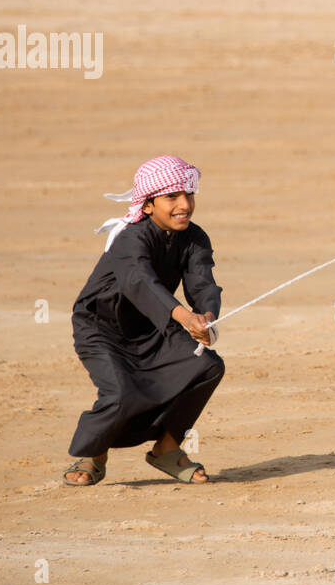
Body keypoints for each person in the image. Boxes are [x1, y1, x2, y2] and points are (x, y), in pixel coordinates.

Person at [62, 155, 225, 486]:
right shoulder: (130, 238)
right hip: (101, 328)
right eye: (172, 197)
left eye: (188, 195)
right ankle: (94, 453)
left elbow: (203, 283)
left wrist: (206, 316)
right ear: (148, 205)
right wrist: (182, 316)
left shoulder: (194, 238)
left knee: (207, 367)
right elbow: (140, 282)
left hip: (153, 327)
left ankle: (166, 449)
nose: (184, 205)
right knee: (122, 394)